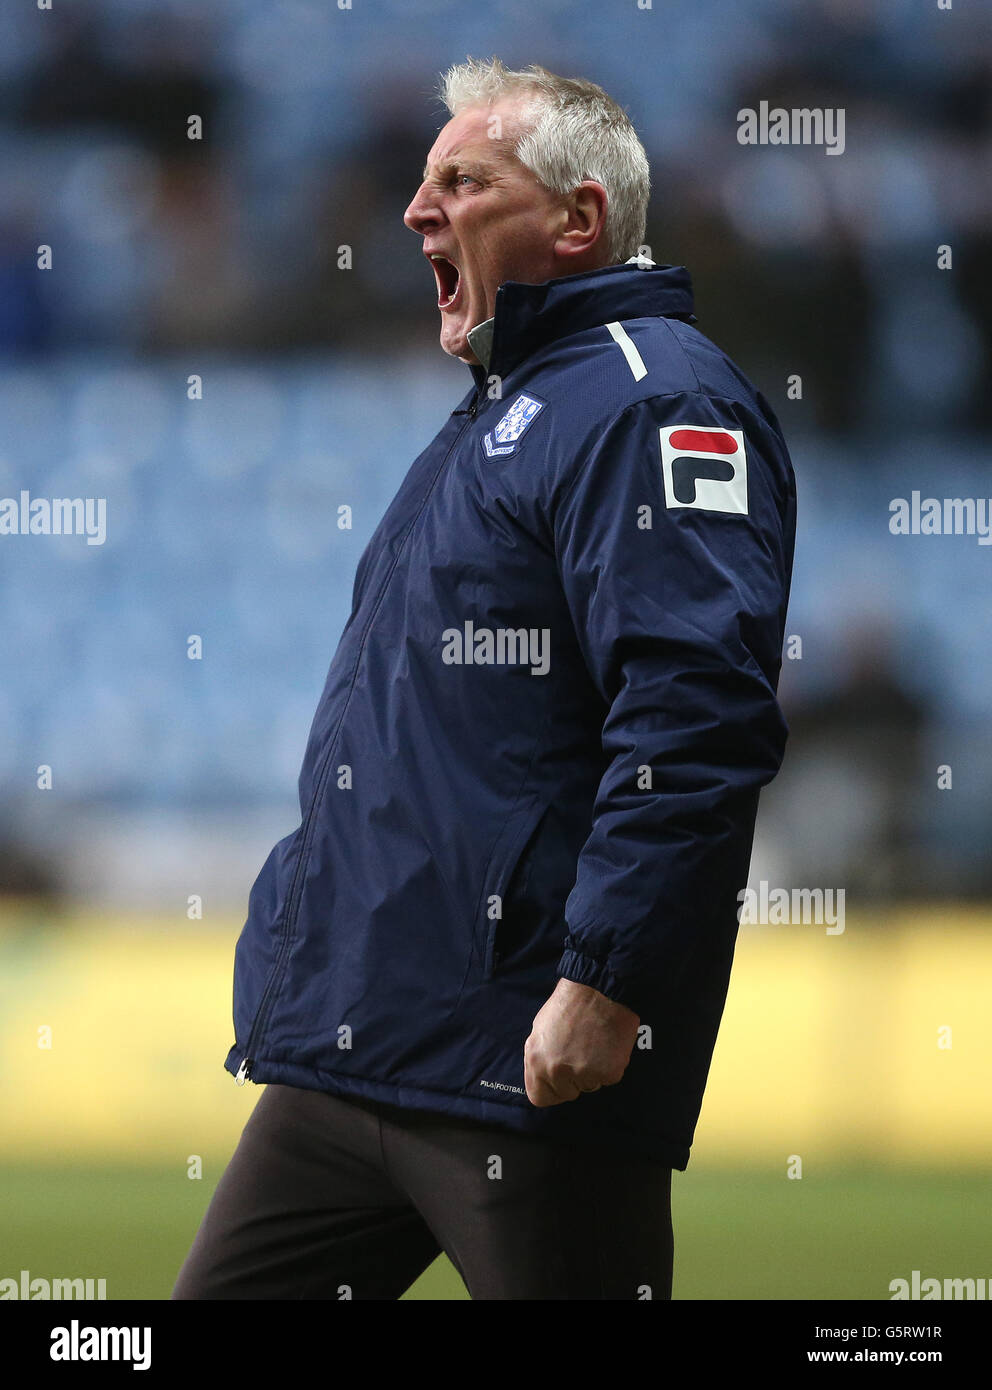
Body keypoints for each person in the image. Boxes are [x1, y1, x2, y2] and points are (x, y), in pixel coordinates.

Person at [173, 56, 796, 1302]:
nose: (415, 210)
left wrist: (606, 980)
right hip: (359, 1051)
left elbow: (695, 714)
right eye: (420, 180)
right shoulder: (501, 408)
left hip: (519, 1063)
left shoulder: (649, 399)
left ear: (576, 219)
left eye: (461, 180)